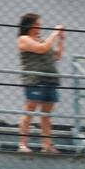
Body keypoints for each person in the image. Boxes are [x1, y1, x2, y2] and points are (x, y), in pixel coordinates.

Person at [17, 12, 64, 154]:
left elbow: (57, 56)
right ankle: (23, 144)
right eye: (37, 24)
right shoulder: (24, 39)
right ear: (29, 25)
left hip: (50, 79)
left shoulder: (43, 40)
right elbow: (41, 49)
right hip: (34, 79)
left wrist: (61, 40)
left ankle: (47, 145)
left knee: (47, 114)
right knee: (30, 109)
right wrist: (54, 34)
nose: (39, 27)